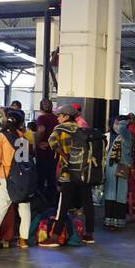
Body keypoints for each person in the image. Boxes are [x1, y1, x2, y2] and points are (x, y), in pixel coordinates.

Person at [47, 105, 96, 246]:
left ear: (66, 116)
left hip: (68, 171)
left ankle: (55, 236)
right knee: (87, 203)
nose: (58, 118)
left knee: (64, 204)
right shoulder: (82, 127)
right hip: (83, 171)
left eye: (60, 115)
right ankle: (89, 235)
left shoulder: (60, 129)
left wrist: (65, 156)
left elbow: (52, 142)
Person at [0, 111, 32, 250]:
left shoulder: (0, 137)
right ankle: (23, 240)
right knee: (24, 206)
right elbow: (24, 161)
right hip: (23, 177)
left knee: (1, 207)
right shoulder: (23, 138)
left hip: (7, 176)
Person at [104, 116, 134, 229]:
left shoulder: (126, 135)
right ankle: (109, 220)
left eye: (117, 123)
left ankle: (117, 221)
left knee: (119, 194)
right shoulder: (119, 137)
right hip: (112, 168)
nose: (115, 125)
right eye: (115, 123)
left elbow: (121, 128)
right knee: (111, 193)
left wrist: (125, 121)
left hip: (120, 168)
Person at [34, 97, 58, 206]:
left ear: (40, 108)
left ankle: (41, 203)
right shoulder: (56, 118)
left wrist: (37, 143)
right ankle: (53, 203)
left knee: (41, 179)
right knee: (52, 179)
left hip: (43, 153)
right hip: (55, 152)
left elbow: (41, 130)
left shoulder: (42, 118)